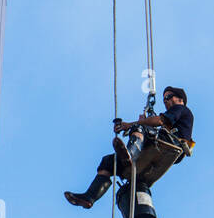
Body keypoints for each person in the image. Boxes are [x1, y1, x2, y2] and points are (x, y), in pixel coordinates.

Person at [64, 87, 194, 210]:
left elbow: (160, 120)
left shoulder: (181, 109)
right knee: (108, 162)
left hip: (171, 145)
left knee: (139, 127)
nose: (166, 100)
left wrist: (133, 124)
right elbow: (160, 124)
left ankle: (129, 156)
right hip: (160, 150)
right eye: (164, 99)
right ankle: (89, 197)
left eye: (169, 96)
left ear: (180, 99)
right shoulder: (171, 122)